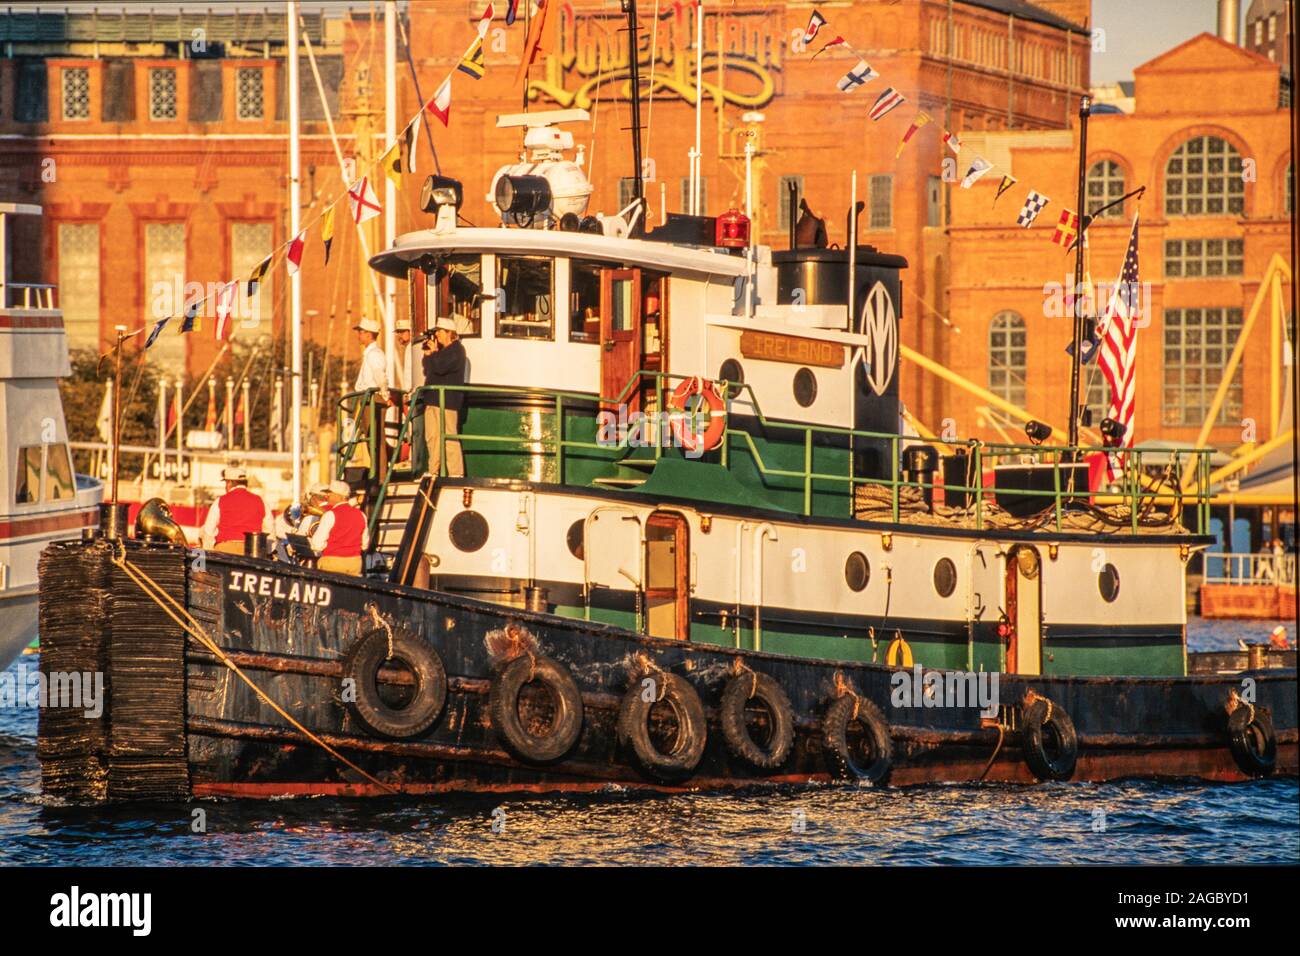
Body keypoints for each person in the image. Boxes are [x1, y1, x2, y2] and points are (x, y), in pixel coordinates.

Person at [421, 315, 466, 478]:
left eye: (440, 331)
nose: (437, 335)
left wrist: (433, 354)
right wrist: (429, 354)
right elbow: (428, 369)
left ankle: (456, 473)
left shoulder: (457, 350)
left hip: (447, 401)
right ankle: (433, 470)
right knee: (432, 437)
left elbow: (440, 367)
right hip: (433, 400)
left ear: (449, 333)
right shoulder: (442, 351)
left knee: (449, 438)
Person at [201, 466, 272, 554]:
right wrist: (268, 552)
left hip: (225, 549)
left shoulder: (220, 501)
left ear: (229, 483)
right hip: (251, 550)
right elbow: (269, 530)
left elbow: (209, 530)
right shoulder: (260, 501)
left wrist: (209, 550)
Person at [310, 479, 370, 575]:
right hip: (355, 563)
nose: (327, 496)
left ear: (339, 496)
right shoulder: (361, 514)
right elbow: (365, 544)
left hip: (333, 562)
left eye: (330, 493)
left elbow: (316, 545)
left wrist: (330, 546)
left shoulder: (330, 514)